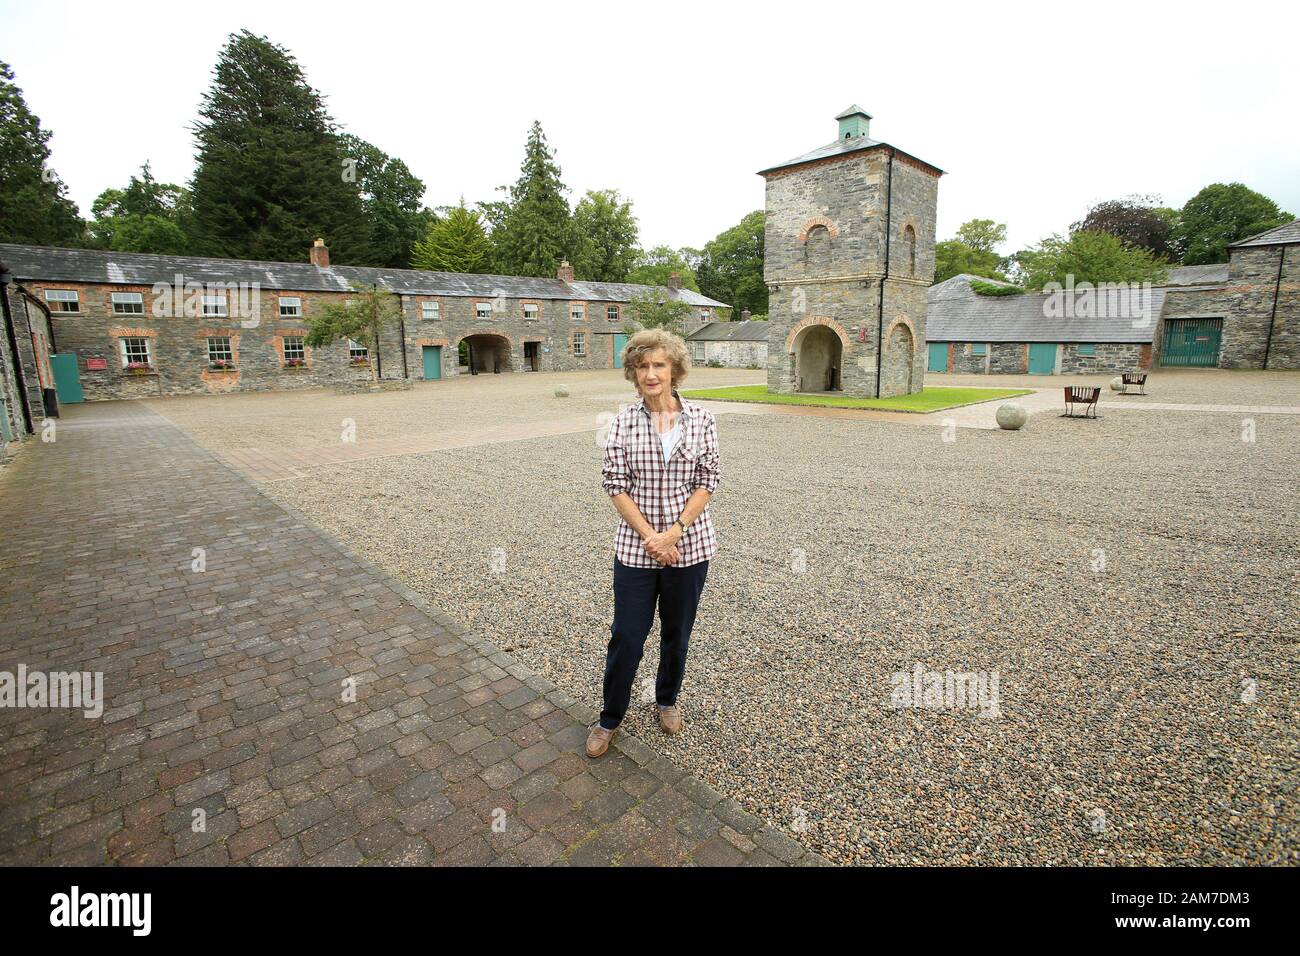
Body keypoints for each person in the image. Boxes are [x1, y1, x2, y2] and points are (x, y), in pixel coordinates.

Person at [586, 328, 721, 759]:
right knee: (626, 635)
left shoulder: (702, 418)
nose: (650, 374)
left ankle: (667, 700)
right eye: (642, 366)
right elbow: (614, 483)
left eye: (659, 365)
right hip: (636, 549)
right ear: (633, 372)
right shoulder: (622, 421)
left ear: (674, 369)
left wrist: (675, 531)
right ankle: (610, 717)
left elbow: (708, 480)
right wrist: (651, 537)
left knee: (676, 634)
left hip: (689, 547)